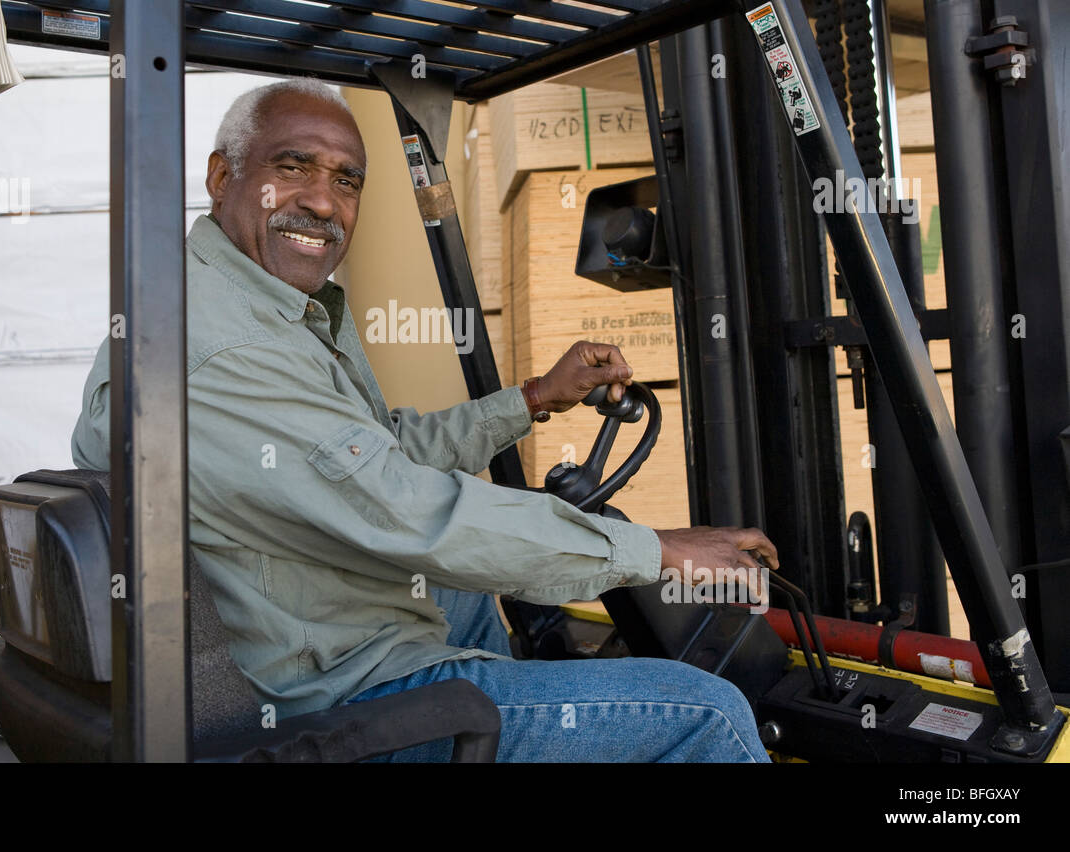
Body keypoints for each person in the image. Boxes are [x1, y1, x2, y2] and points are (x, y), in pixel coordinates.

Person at [71, 78, 779, 762]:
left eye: (347, 181)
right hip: (329, 701)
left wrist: (534, 399)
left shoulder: (236, 301)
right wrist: (652, 551)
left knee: (466, 594)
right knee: (706, 713)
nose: (323, 201)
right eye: (293, 168)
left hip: (298, 623)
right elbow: (404, 509)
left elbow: (379, 452)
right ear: (222, 176)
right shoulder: (230, 346)